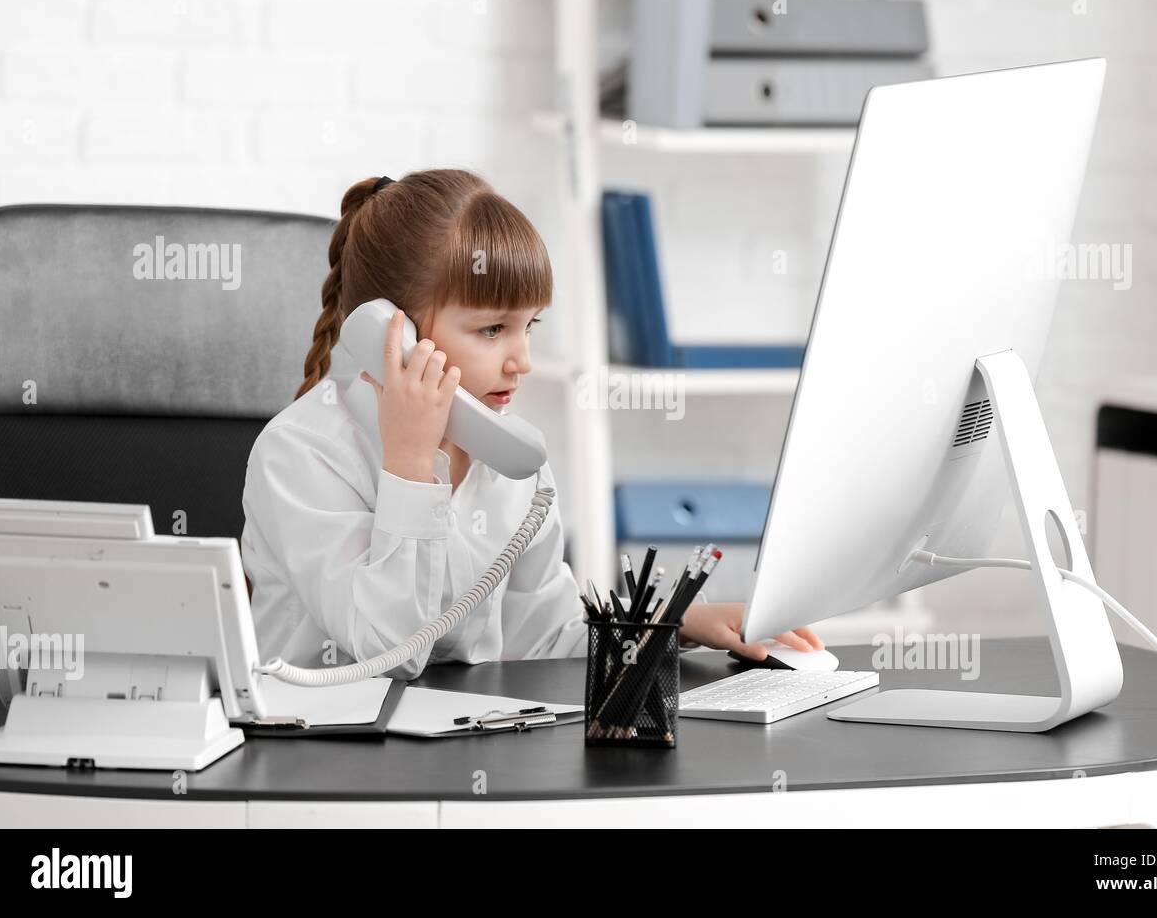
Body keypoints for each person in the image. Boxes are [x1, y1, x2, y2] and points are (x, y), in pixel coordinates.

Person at [241, 168, 824, 680]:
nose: (521, 360)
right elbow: (387, 652)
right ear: (394, 334)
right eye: (492, 330)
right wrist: (412, 467)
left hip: (457, 751)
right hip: (317, 755)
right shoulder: (301, 454)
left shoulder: (506, 459)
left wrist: (675, 624)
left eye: (529, 327)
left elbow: (544, 642)